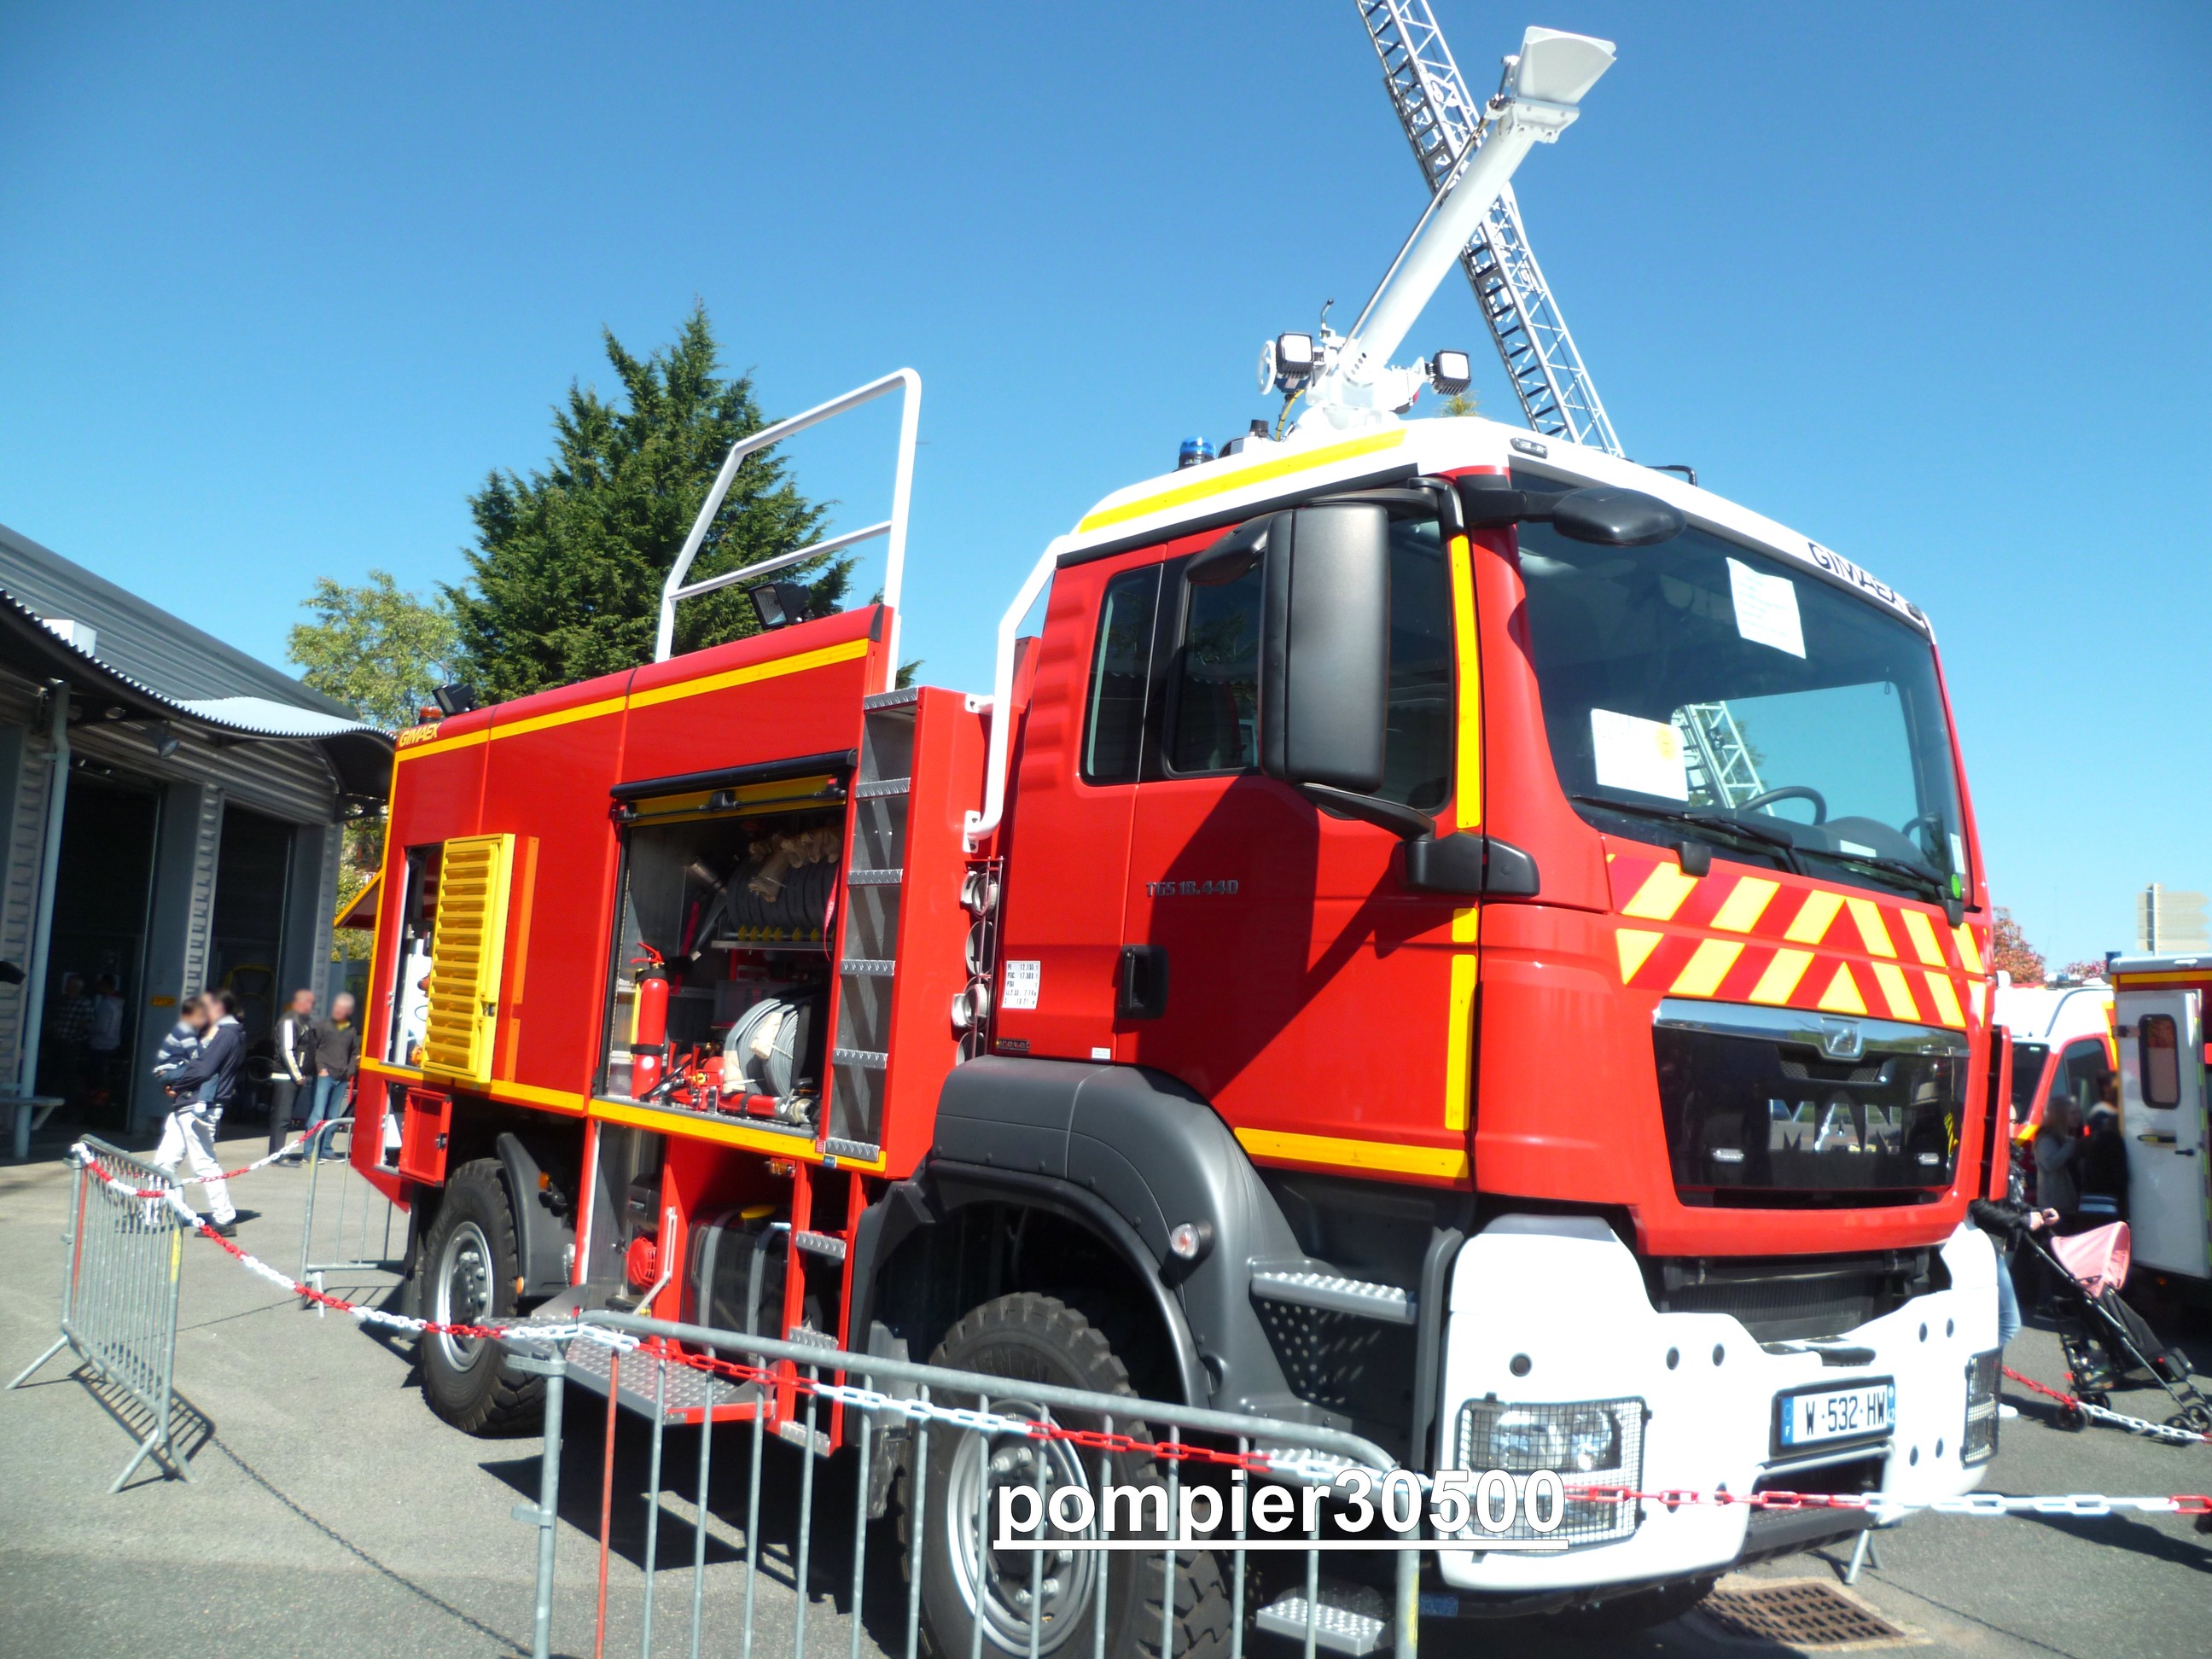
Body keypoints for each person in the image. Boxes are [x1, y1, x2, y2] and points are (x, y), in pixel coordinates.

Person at [154, 992, 242, 1237]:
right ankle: (151, 1212)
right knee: (165, 1162)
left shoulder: (225, 1034)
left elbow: (204, 1069)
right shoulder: (226, 1034)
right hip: (192, 1105)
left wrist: (177, 1085)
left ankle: (225, 1218)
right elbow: (203, 1069)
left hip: (198, 1107)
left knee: (202, 1163)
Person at [1967, 1196, 2060, 1418]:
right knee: (2008, 1322)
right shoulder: (1987, 1161)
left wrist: (2037, 1211)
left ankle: (1975, 1388)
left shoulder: (2005, 1162)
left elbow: (2005, 1200)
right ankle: (1975, 1389)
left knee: (1991, 1324)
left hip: (1986, 1245)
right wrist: (2024, 1219)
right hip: (1979, 1245)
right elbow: (1976, 1205)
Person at [299, 992, 359, 1155]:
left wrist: (350, 1071)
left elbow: (355, 1052)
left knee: (333, 1117)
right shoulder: (322, 1025)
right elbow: (313, 1048)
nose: (340, 1011)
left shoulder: (351, 1029)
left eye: (344, 1009)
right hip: (325, 1075)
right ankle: (309, 1151)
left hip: (342, 1078)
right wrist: (320, 1069)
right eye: (338, 1007)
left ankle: (325, 1149)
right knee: (317, 1114)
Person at [269, 987, 317, 1155]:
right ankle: (276, 1155)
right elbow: (287, 1050)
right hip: (285, 1076)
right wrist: (297, 1075)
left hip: (293, 1076)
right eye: (310, 1002)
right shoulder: (289, 1021)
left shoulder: (302, 1022)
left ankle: (278, 1153)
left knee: (285, 1118)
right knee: (281, 1118)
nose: (312, 1006)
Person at [2075, 1078, 2129, 1223]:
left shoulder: (2085, 1143)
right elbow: (2121, 1177)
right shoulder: (2115, 1141)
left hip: (2085, 1204)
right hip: (2107, 1204)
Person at [86, 974, 126, 1107]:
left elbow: (101, 1027)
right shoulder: (117, 1004)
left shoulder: (106, 1005)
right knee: (104, 1077)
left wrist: (86, 1026)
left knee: (97, 1078)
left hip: (101, 1045)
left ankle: (97, 1102)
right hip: (112, 1043)